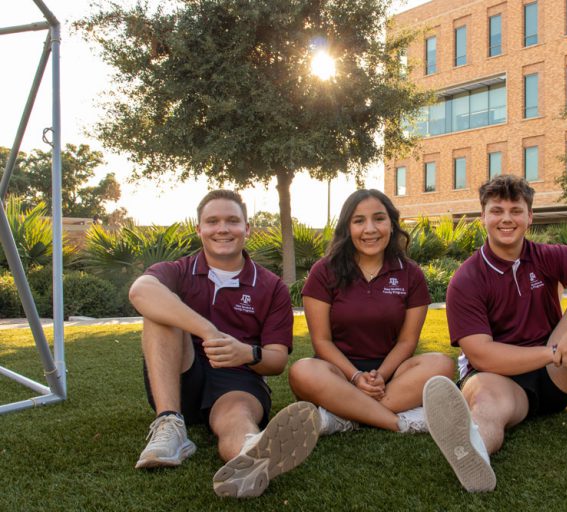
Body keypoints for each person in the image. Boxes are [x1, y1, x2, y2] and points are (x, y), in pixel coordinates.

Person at [422, 175, 567, 493]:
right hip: (500, 378)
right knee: (486, 405)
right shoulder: (466, 279)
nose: (506, 219)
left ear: (529, 217)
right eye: (496, 211)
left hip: (557, 376)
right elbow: (482, 354)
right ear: (483, 217)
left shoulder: (549, 256)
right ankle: (473, 448)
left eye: (515, 210)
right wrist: (554, 353)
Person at [129, 189, 319, 499]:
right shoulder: (179, 271)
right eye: (212, 221)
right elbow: (140, 291)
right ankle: (169, 425)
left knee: (236, 418)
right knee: (160, 311)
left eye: (232, 221)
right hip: (180, 377)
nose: (222, 229)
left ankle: (251, 456)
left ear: (247, 228)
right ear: (199, 229)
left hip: (238, 378)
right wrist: (208, 331)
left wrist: (247, 352)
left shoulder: (271, 287)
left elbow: (276, 361)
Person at [289, 189, 454, 435]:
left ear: (391, 223)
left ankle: (342, 417)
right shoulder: (323, 271)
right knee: (301, 371)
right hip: (338, 376)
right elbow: (322, 341)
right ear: (347, 227)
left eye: (379, 218)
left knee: (442, 365)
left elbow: (407, 342)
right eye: (359, 221)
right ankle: (400, 422)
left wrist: (380, 376)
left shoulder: (410, 273)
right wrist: (356, 377)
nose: (370, 229)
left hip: (391, 379)